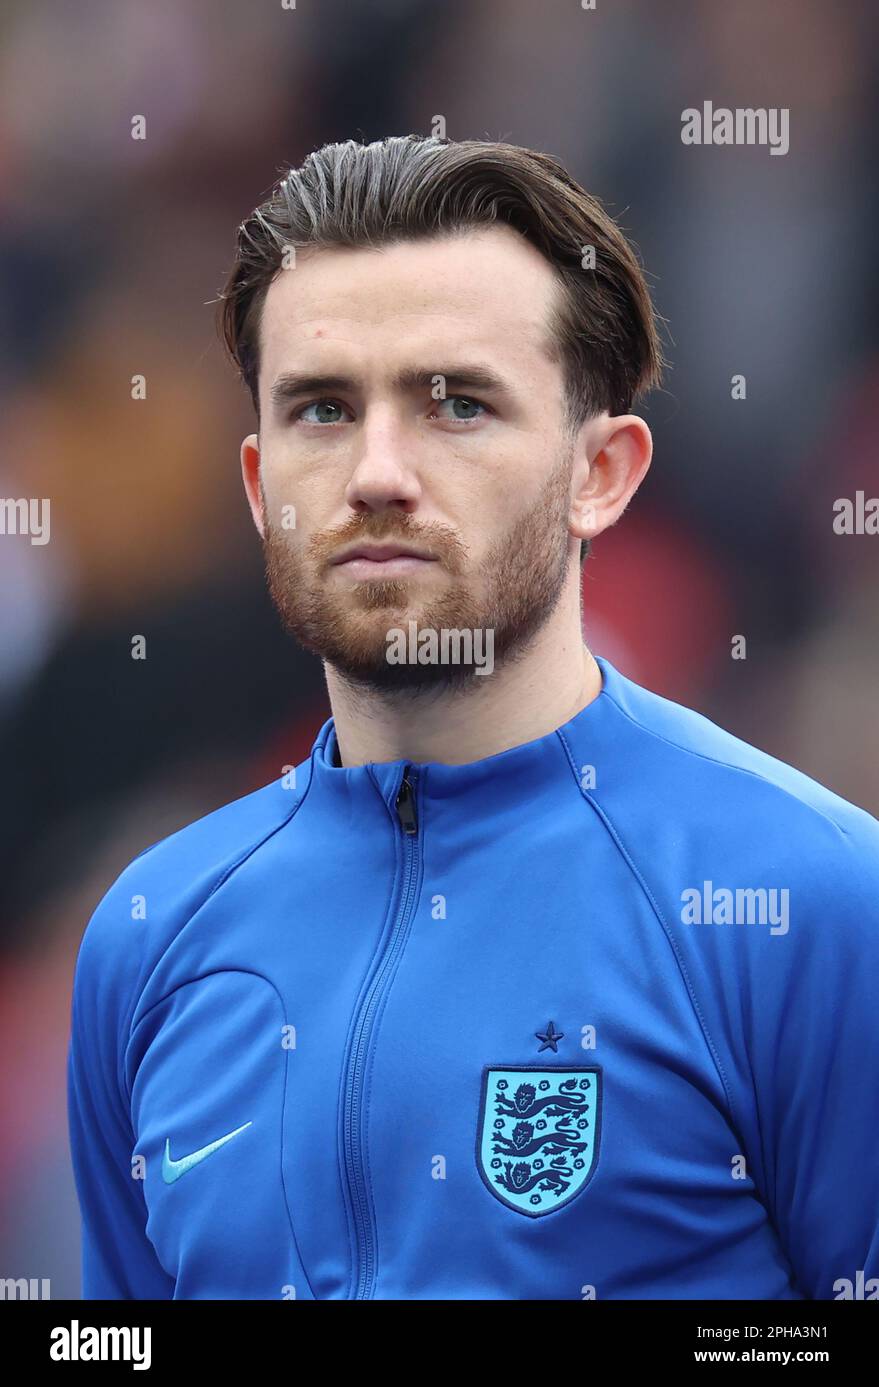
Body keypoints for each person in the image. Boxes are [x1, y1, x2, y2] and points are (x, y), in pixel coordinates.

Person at [67, 135, 879, 1300]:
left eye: (457, 403)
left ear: (600, 473)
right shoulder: (150, 937)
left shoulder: (813, 905)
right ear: (257, 488)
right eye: (322, 409)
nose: (377, 471)